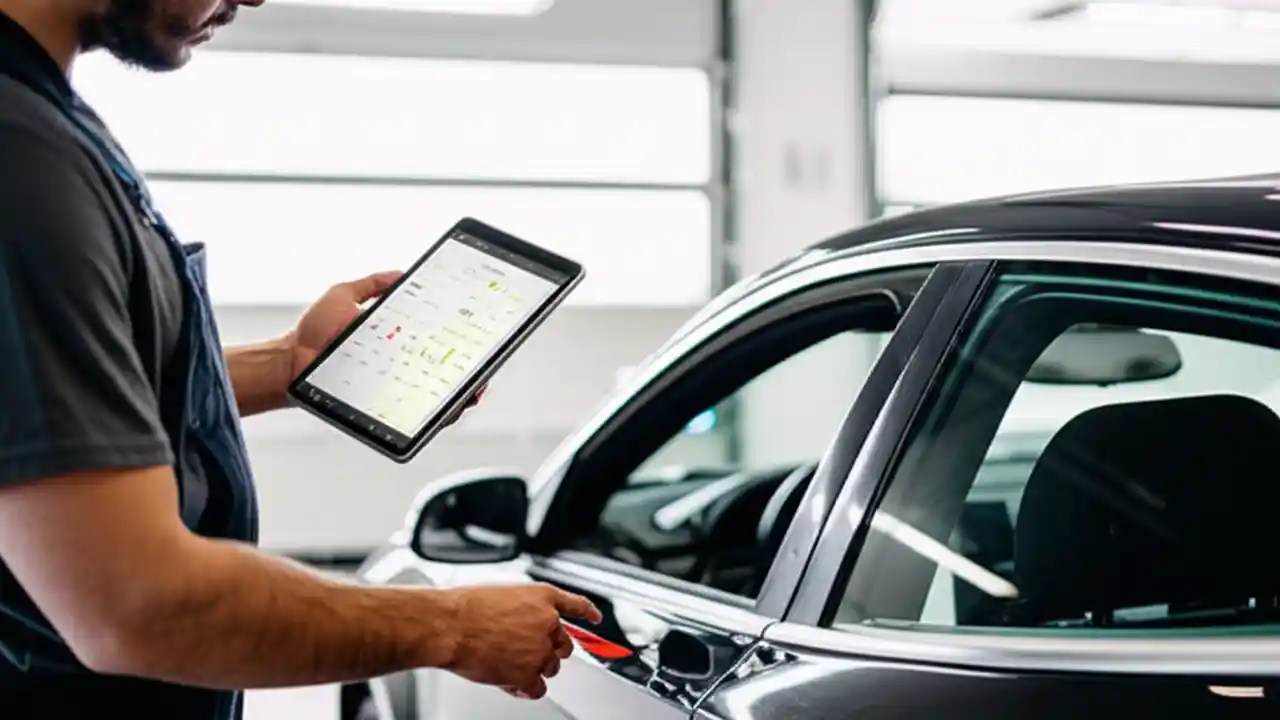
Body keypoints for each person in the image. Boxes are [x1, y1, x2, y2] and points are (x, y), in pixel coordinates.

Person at [0, 0, 602, 717]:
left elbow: (63, 391)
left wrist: (291, 364)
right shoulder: (22, 153)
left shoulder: (48, 120)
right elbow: (134, 602)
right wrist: (452, 625)